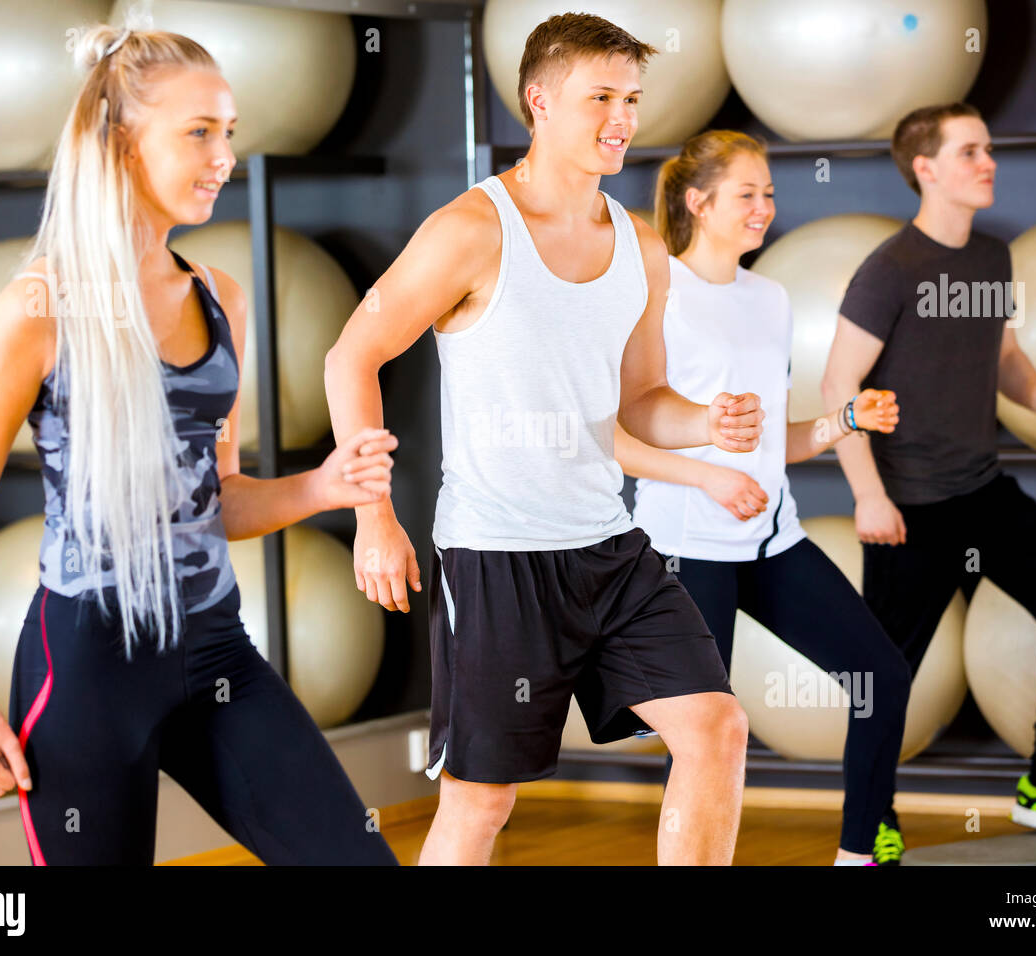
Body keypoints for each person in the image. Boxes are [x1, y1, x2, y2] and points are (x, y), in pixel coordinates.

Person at [0, 22, 399, 866]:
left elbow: (221, 500)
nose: (224, 156)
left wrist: (323, 487)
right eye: (199, 133)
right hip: (86, 670)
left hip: (215, 650)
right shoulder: (38, 309)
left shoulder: (221, 301)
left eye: (230, 133)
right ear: (122, 141)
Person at [324, 13, 759, 866]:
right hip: (497, 557)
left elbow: (638, 404)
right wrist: (373, 516)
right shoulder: (472, 230)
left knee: (716, 726)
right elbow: (352, 355)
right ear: (538, 100)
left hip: (609, 549)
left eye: (631, 99)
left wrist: (706, 424)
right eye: (600, 97)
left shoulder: (641, 243)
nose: (622, 119)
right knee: (481, 806)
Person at [821, 102, 1036, 860]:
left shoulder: (994, 256)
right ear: (926, 170)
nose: (989, 161)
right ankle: (868, 831)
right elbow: (838, 385)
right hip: (909, 509)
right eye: (970, 152)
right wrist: (868, 495)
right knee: (882, 677)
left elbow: (1003, 360)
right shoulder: (887, 269)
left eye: (989, 148)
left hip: (982, 492)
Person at [615, 129, 912, 865]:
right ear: (698, 202)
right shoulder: (659, 294)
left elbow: (773, 441)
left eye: (769, 194)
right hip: (685, 550)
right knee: (704, 736)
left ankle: (858, 854)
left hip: (772, 540)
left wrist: (845, 421)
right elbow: (622, 432)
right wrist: (711, 475)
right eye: (746, 194)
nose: (764, 208)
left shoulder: (771, 297)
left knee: (881, 676)